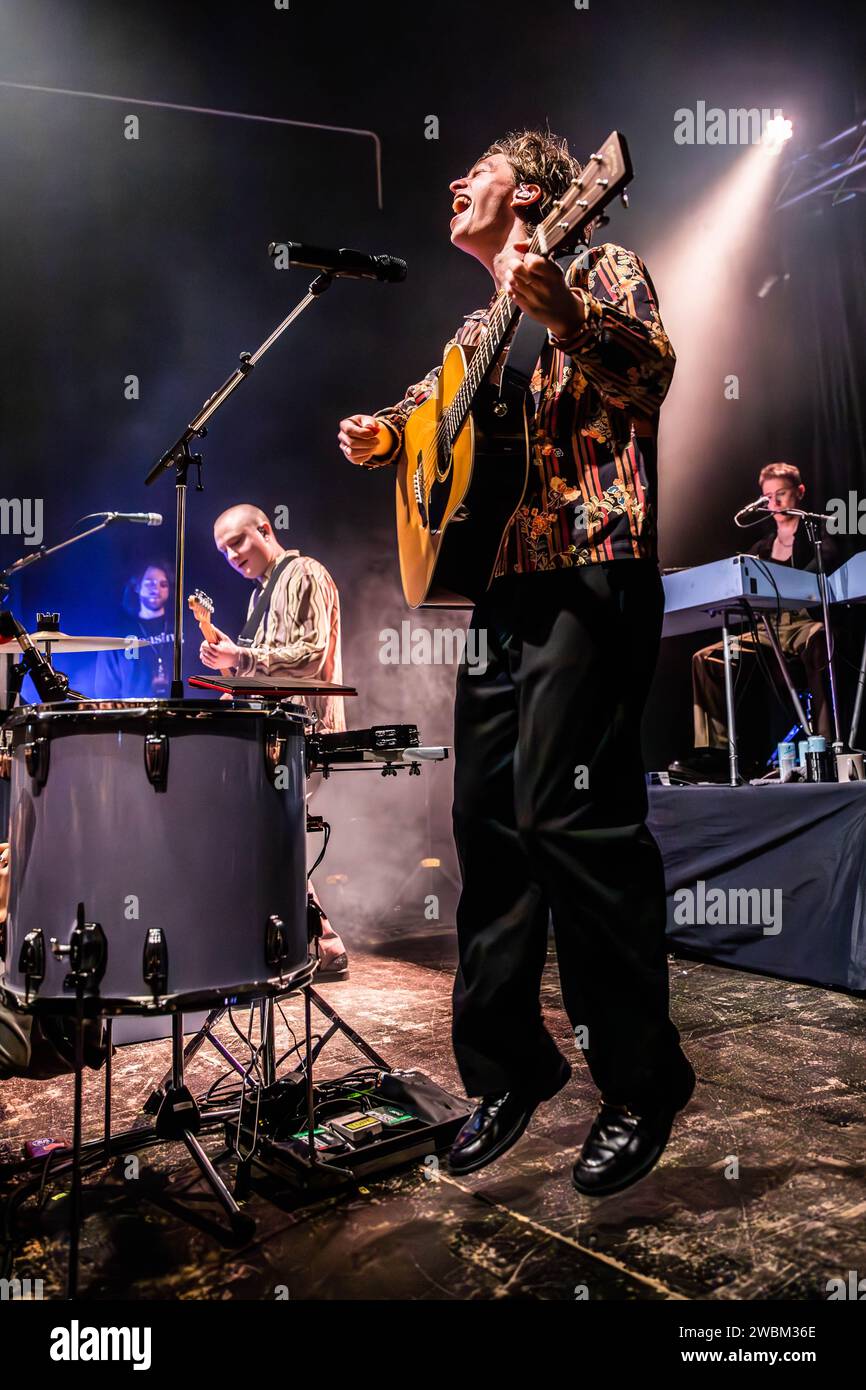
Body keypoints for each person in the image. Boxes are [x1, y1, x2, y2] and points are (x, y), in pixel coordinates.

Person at [338, 128, 694, 1195]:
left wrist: (567, 315)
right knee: (484, 830)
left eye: (476, 171)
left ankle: (640, 1077)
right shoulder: (473, 328)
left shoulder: (592, 264)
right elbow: (422, 415)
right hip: (500, 592)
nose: (453, 182)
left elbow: (654, 374)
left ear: (535, 193)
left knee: (566, 819)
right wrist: (382, 437)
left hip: (591, 569)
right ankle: (507, 1066)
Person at [199, 503, 349, 978]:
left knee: (270, 831)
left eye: (238, 542)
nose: (232, 556)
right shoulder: (260, 594)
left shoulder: (305, 572)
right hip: (274, 732)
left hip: (305, 731)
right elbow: (263, 665)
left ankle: (319, 940)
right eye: (224, 551)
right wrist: (229, 661)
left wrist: (240, 657)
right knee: (268, 832)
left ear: (266, 529)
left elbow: (310, 655)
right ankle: (319, 942)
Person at [671, 463, 840, 783]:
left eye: (781, 494)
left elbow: (825, 564)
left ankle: (826, 745)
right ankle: (718, 755)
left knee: (820, 639)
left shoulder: (817, 533)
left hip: (803, 622)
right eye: (767, 497)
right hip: (767, 627)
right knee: (707, 658)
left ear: (799, 493)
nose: (773, 503)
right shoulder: (761, 549)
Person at [94, 561, 174, 699]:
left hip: (180, 714)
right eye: (150, 583)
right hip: (135, 717)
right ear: (137, 586)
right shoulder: (117, 635)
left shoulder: (183, 627)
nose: (156, 589)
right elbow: (105, 692)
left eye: (163, 584)